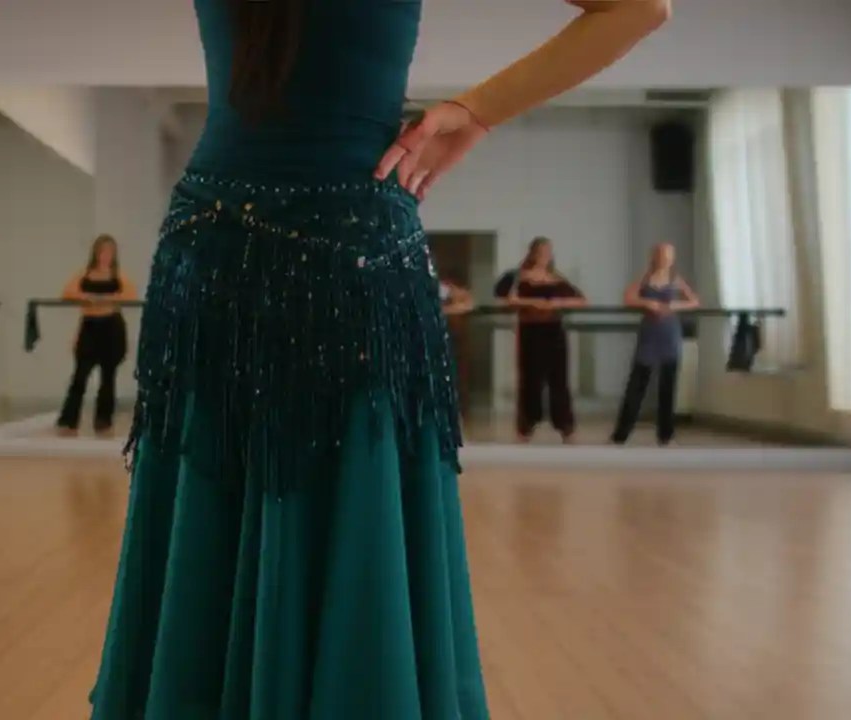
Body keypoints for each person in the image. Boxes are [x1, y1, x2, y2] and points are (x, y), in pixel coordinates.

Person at [89, 0, 671, 717]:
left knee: (220, 503)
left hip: (221, 237)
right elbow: (640, 7)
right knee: (349, 497)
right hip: (351, 235)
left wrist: (478, 111)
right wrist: (479, 111)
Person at [611, 242, 699, 446]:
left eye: (668, 255)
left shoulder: (675, 279)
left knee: (668, 386)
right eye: (660, 254)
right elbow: (628, 297)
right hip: (650, 334)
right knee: (637, 385)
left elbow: (694, 301)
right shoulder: (645, 278)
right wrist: (646, 303)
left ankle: (665, 435)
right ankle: (621, 435)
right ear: (654, 256)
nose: (664, 258)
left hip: (669, 334)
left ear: (672, 258)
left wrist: (676, 305)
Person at [505, 237, 587, 443]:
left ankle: (565, 427)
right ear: (532, 253)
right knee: (530, 379)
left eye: (547, 252)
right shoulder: (518, 277)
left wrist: (555, 303)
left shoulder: (556, 278)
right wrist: (534, 303)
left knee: (559, 379)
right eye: (540, 252)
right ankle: (526, 427)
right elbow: (507, 299)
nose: (544, 256)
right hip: (530, 331)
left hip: (554, 331)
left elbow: (581, 300)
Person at [56, 234, 135, 435]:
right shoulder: (85, 274)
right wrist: (87, 297)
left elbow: (130, 295)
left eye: (110, 252)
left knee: (108, 377)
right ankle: (68, 421)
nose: (106, 256)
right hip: (90, 326)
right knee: (80, 375)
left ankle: (103, 421)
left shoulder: (118, 275)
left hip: (112, 327)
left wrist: (106, 299)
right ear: (96, 253)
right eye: (103, 251)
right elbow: (67, 292)